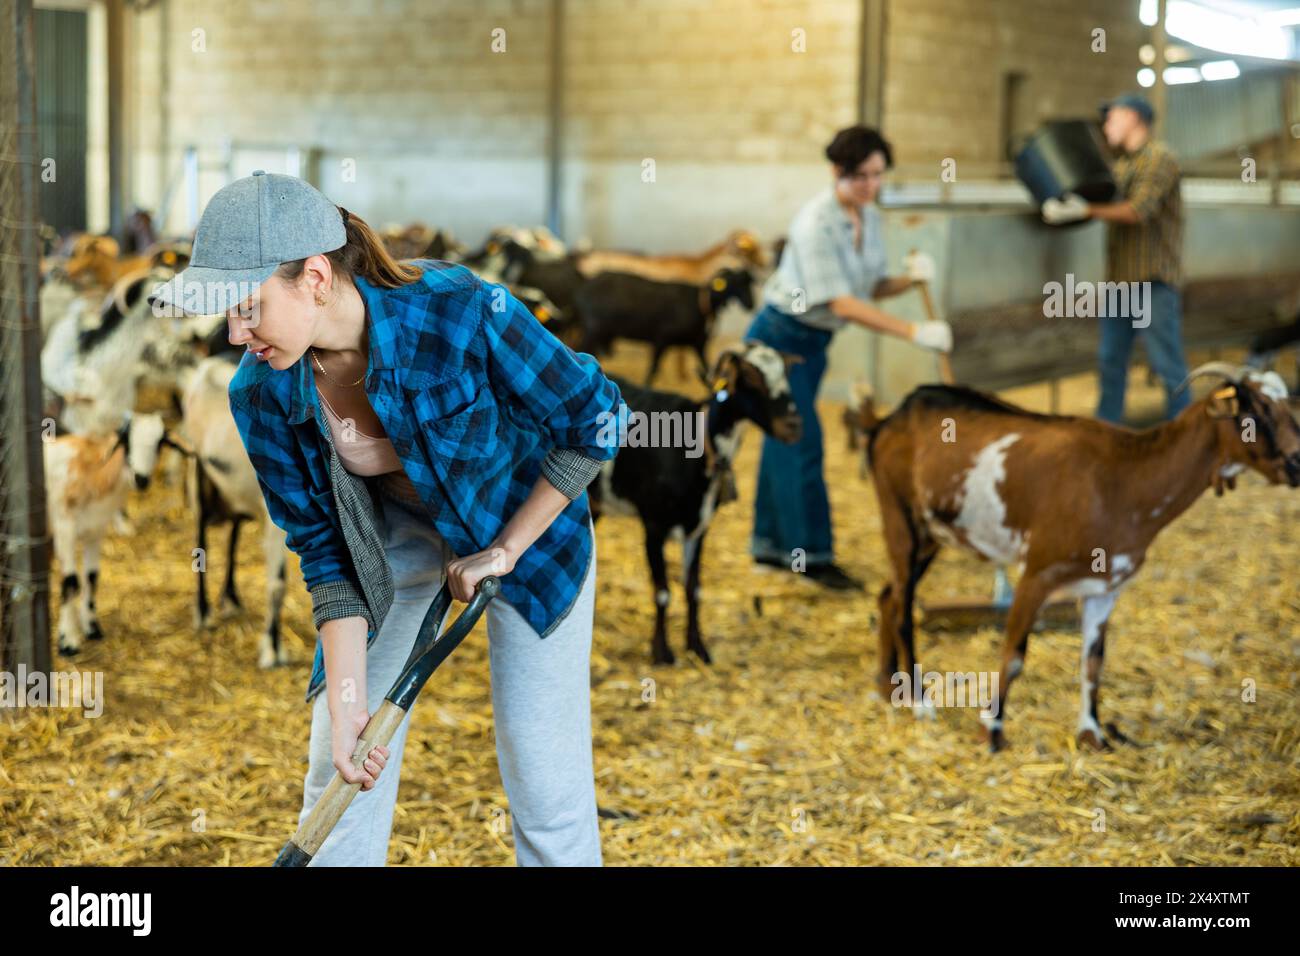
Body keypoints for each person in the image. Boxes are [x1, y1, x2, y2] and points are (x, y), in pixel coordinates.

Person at [151, 171, 622, 866]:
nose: (233, 334)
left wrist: (506, 549)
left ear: (315, 275)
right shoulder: (261, 392)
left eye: (248, 307)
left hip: (526, 530)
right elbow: (323, 551)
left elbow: (596, 416)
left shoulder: (459, 309)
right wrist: (347, 708)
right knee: (338, 768)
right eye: (226, 313)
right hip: (389, 543)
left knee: (543, 775)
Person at [748, 125, 953, 590]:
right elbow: (841, 302)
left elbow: (869, 286)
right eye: (860, 176)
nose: (870, 185)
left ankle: (772, 550)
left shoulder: (869, 216)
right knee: (802, 443)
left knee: (783, 445)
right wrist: (914, 332)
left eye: (878, 175)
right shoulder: (814, 223)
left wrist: (907, 279)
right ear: (836, 171)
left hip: (814, 343)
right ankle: (811, 560)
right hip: (778, 340)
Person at [1041, 92, 1189, 424]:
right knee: (1110, 360)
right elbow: (1106, 203)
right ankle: (1106, 430)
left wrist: (1086, 209)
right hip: (1121, 283)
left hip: (1153, 282)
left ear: (1134, 118)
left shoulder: (1159, 159)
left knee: (1168, 364)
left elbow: (1138, 210)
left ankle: (1184, 434)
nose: (1106, 125)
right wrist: (1066, 204)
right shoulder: (1122, 166)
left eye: (1113, 117)